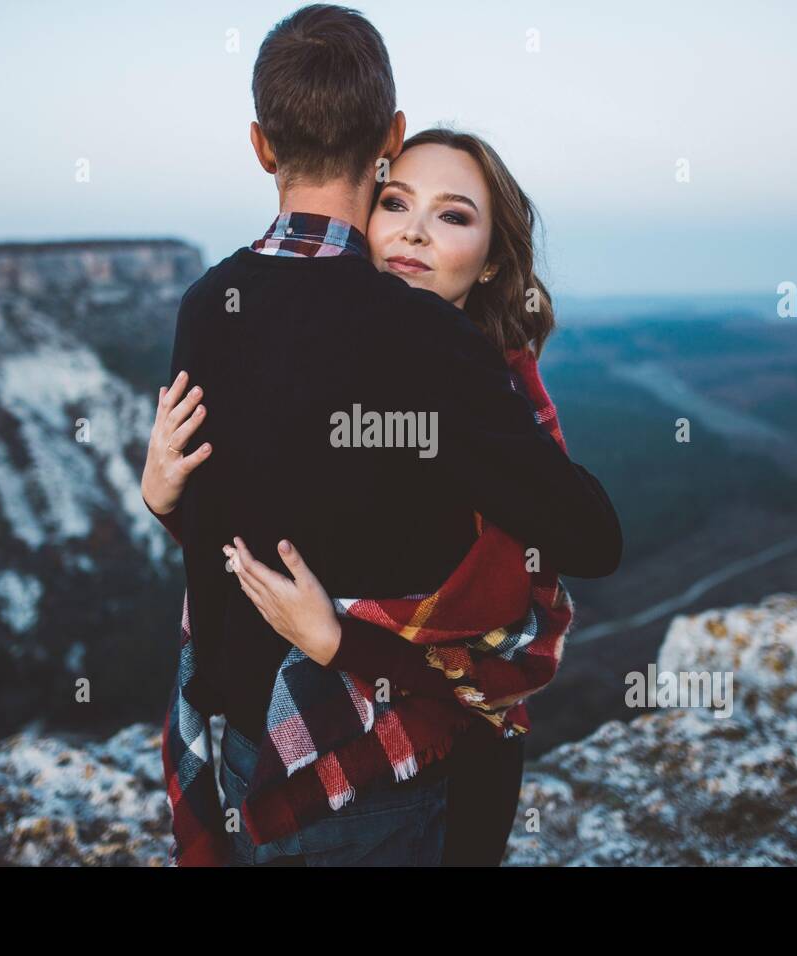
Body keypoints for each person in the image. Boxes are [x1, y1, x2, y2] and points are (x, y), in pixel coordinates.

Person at [142, 4, 621, 867]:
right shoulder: (424, 336)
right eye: (401, 201)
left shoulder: (207, 305)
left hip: (241, 751)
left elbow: (244, 520)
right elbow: (589, 535)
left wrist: (162, 500)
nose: (414, 233)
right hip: (362, 767)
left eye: (452, 217)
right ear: (388, 137)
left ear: (260, 144)